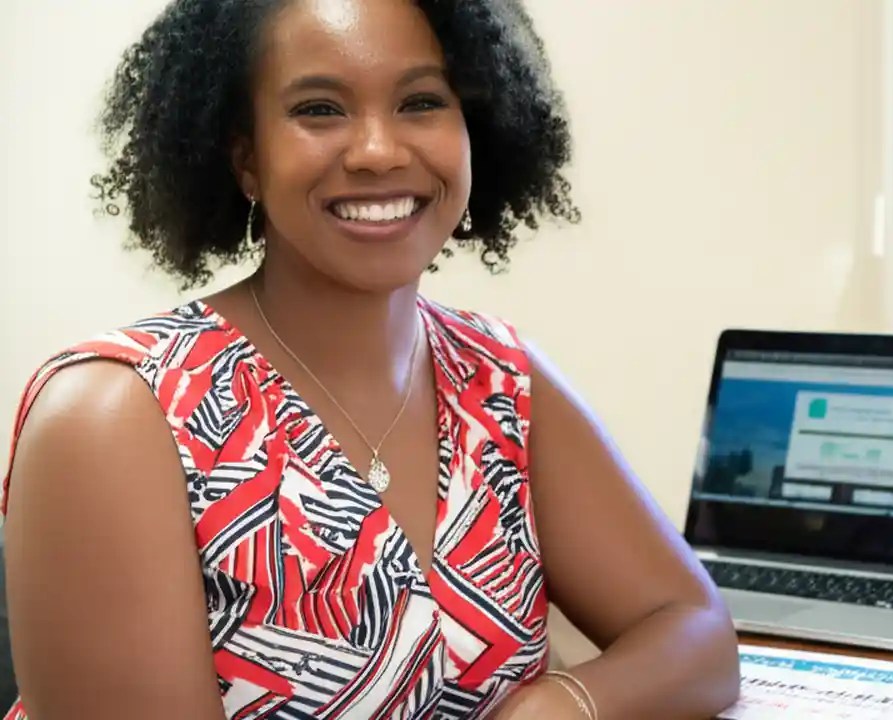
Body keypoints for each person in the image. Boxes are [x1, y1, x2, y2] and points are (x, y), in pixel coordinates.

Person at [0, 0, 741, 717]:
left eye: (421, 102)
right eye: (320, 109)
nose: (380, 150)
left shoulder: (497, 376)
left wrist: (566, 703)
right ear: (246, 159)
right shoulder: (115, 416)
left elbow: (697, 632)